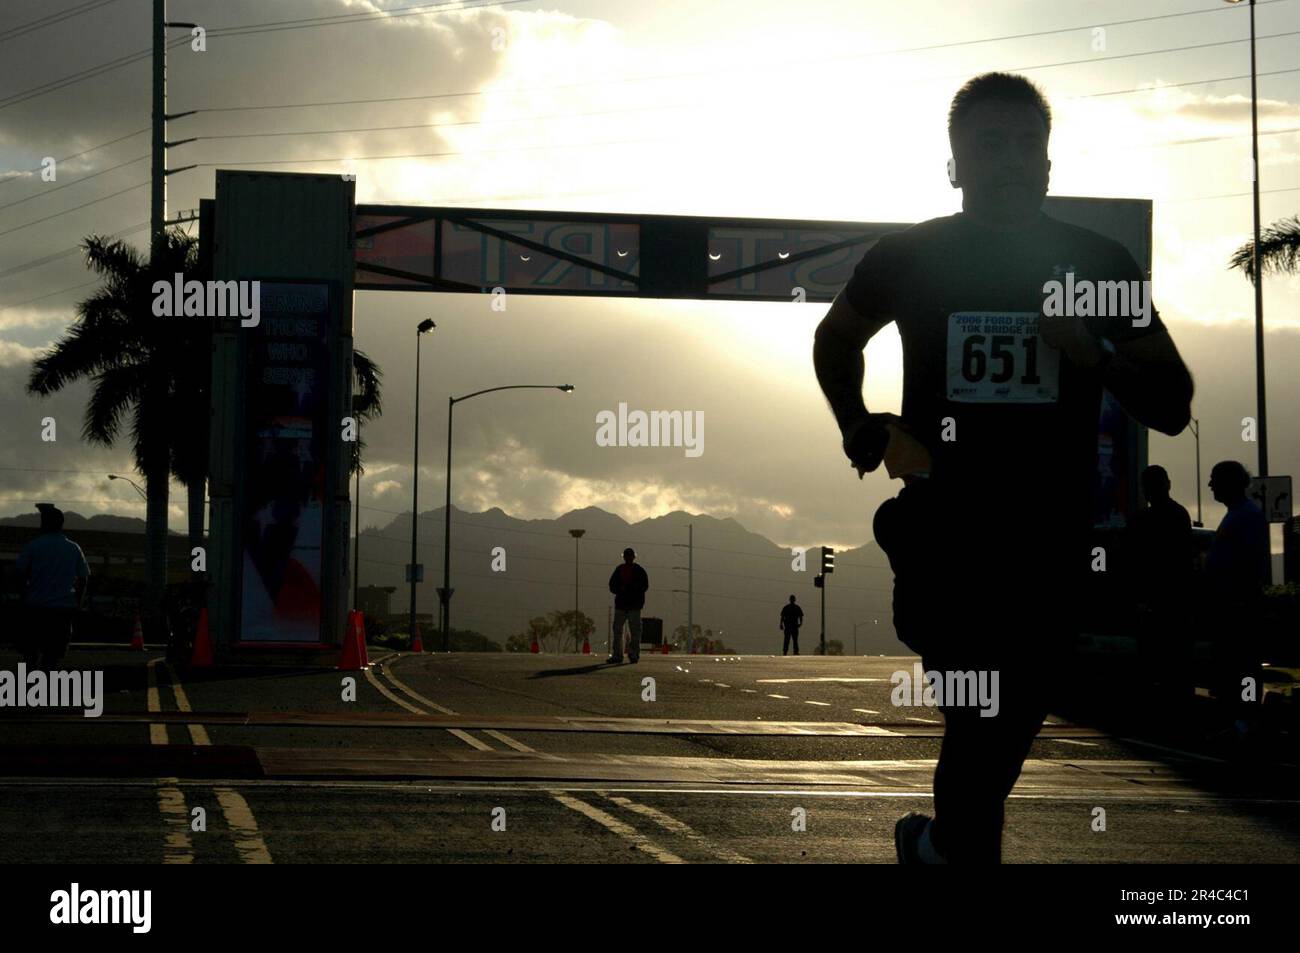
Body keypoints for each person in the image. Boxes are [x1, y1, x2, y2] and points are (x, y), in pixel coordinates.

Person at [813, 72, 1193, 863]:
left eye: (1028, 143)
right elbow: (836, 337)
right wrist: (859, 422)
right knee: (979, 715)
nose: (1013, 159)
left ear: (1050, 162)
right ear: (955, 164)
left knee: (1002, 726)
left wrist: (1098, 352)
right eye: (990, 143)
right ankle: (955, 849)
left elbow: (1173, 400)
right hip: (942, 532)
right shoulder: (910, 255)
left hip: (1049, 542)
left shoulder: (1098, 261)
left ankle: (940, 846)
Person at [1205, 460, 1270, 736]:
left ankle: (1246, 717)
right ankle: (1237, 717)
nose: (1210, 485)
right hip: (1230, 605)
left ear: (1229, 483)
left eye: (1214, 479)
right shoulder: (1238, 514)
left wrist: (1236, 599)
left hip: (1238, 606)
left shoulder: (1247, 516)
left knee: (1242, 664)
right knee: (1233, 665)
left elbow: (1249, 565)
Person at [1128, 465, 1194, 699]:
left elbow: (1135, 564)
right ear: (1167, 484)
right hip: (1175, 603)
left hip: (1156, 604)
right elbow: (1185, 561)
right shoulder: (1179, 515)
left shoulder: (1141, 520)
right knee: (1175, 666)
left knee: (1151, 664)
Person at [15, 503, 90, 670]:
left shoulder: (33, 546)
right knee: (53, 654)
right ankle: (47, 685)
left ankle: (30, 683)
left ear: (44, 523)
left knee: (31, 652)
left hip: (35, 606)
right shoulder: (73, 548)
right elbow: (83, 578)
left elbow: (19, 573)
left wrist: (23, 595)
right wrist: (78, 601)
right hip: (62, 608)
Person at [607, 547, 649, 664]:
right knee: (626, 632)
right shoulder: (634, 570)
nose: (628, 558)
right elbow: (612, 585)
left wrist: (626, 589)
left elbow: (644, 586)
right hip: (628, 606)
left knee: (624, 631)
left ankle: (624, 655)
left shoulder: (627, 570)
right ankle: (628, 654)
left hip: (629, 606)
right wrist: (623, 589)